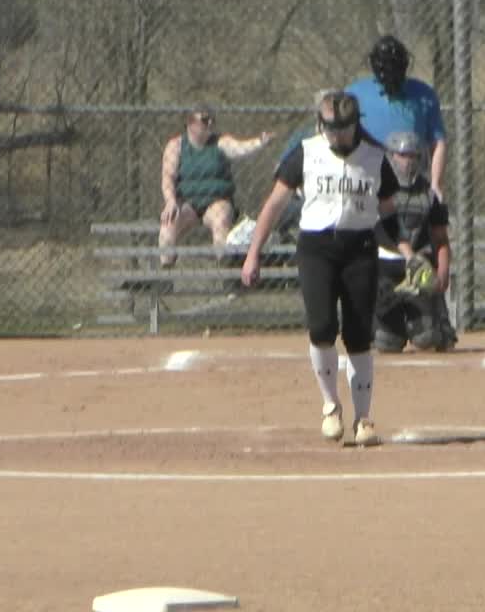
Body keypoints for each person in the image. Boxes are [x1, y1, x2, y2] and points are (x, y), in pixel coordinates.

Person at [240, 90, 413, 447]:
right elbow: (274, 204)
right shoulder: (306, 153)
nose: (336, 135)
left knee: (358, 335)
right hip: (317, 247)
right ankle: (331, 406)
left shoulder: (374, 158)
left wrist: (407, 250)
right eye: (330, 127)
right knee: (321, 326)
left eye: (344, 128)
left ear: (355, 125)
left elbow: (388, 212)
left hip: (360, 248)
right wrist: (253, 252)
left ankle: (363, 418)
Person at [158, 105, 274, 267]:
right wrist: (170, 201)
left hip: (216, 201)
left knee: (220, 221)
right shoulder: (176, 145)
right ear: (190, 123)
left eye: (212, 119)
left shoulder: (220, 142)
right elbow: (168, 178)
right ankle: (166, 273)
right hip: (187, 203)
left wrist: (259, 142)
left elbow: (239, 148)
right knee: (167, 226)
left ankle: (226, 275)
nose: (210, 123)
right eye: (205, 120)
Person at [372, 130, 456, 352]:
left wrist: (442, 272)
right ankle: (385, 324)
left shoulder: (429, 194)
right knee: (385, 343)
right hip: (385, 269)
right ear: (389, 156)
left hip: (419, 270)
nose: (408, 161)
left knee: (426, 338)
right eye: (402, 155)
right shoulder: (376, 192)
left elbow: (440, 238)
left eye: (413, 156)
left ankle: (438, 321)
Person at [345, 35, 448, 198]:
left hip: (410, 180)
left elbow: (438, 143)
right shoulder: (354, 94)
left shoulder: (423, 95)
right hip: (365, 180)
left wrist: (435, 184)